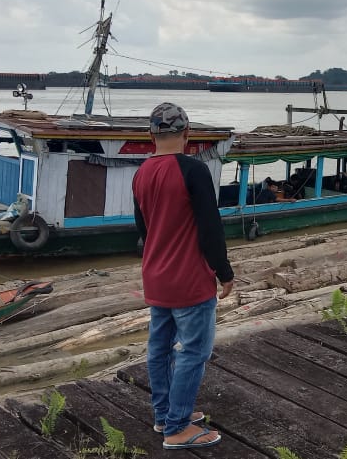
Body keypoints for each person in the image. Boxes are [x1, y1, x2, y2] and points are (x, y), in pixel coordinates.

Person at [132, 102, 234, 450]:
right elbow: (210, 227)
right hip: (189, 279)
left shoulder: (141, 173)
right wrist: (224, 271)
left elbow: (143, 230)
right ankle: (177, 428)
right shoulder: (193, 170)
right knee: (194, 351)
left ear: (151, 135)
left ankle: (165, 416)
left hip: (155, 276)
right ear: (187, 134)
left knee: (159, 348)